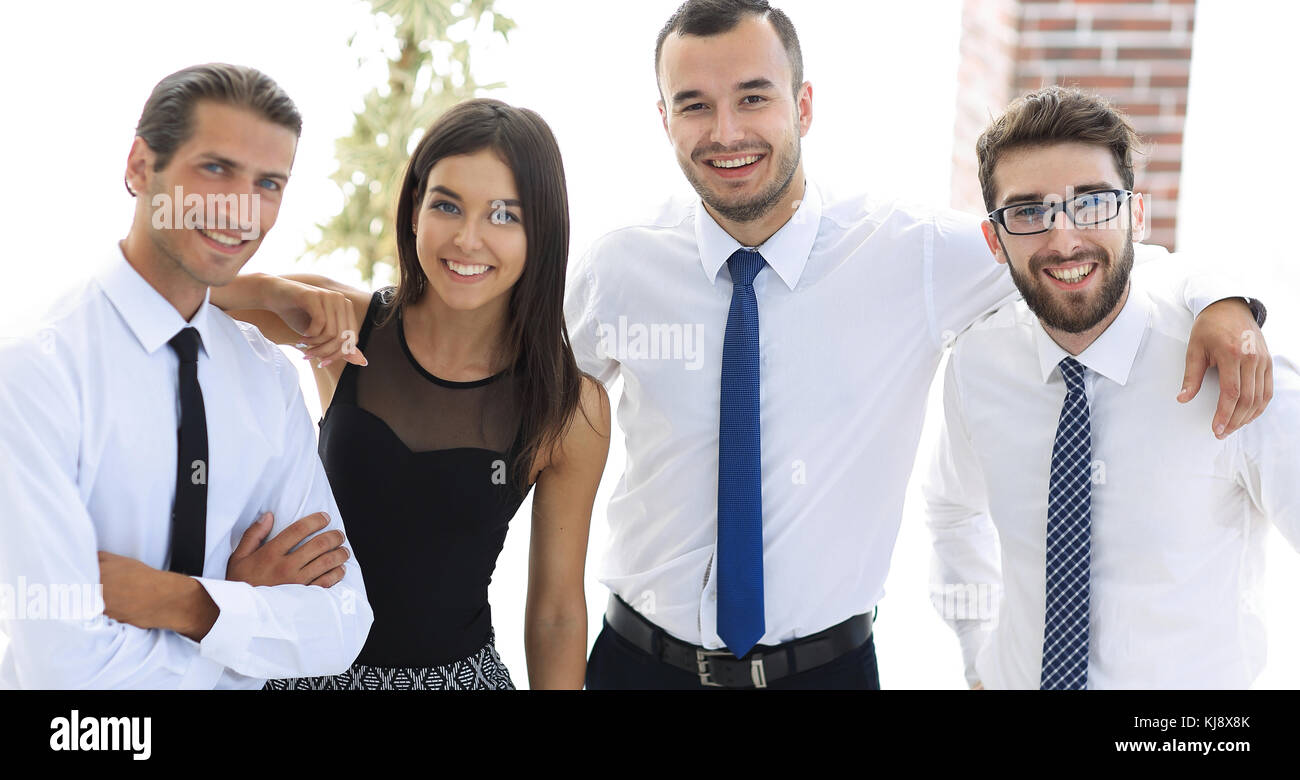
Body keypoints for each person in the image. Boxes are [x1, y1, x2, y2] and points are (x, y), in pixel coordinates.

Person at [564, 0, 1274, 689]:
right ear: (664, 119)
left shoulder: (914, 256)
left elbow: (1073, 254)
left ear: (803, 105)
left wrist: (1222, 297)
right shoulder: (619, 270)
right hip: (636, 665)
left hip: (826, 673)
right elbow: (524, 410)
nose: (725, 131)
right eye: (694, 104)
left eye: (754, 98)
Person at [210, 98, 611, 690]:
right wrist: (270, 290)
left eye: (504, 215)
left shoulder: (569, 406)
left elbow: (555, 614)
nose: (468, 239)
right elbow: (162, 301)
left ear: (541, 230)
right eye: (447, 205)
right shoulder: (343, 322)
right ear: (416, 210)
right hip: (309, 667)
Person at [0, 63, 374, 688]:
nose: (241, 209)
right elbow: (64, 664)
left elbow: (339, 624)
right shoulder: (35, 372)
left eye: (269, 183)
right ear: (140, 166)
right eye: (217, 168)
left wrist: (184, 603)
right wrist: (244, 613)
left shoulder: (266, 378)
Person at [923, 86, 1299, 690]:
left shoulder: (1236, 367)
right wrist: (979, 659)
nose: (1064, 239)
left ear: (1138, 216)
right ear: (995, 239)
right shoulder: (978, 363)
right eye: (1028, 212)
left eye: (1093, 203)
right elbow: (952, 510)